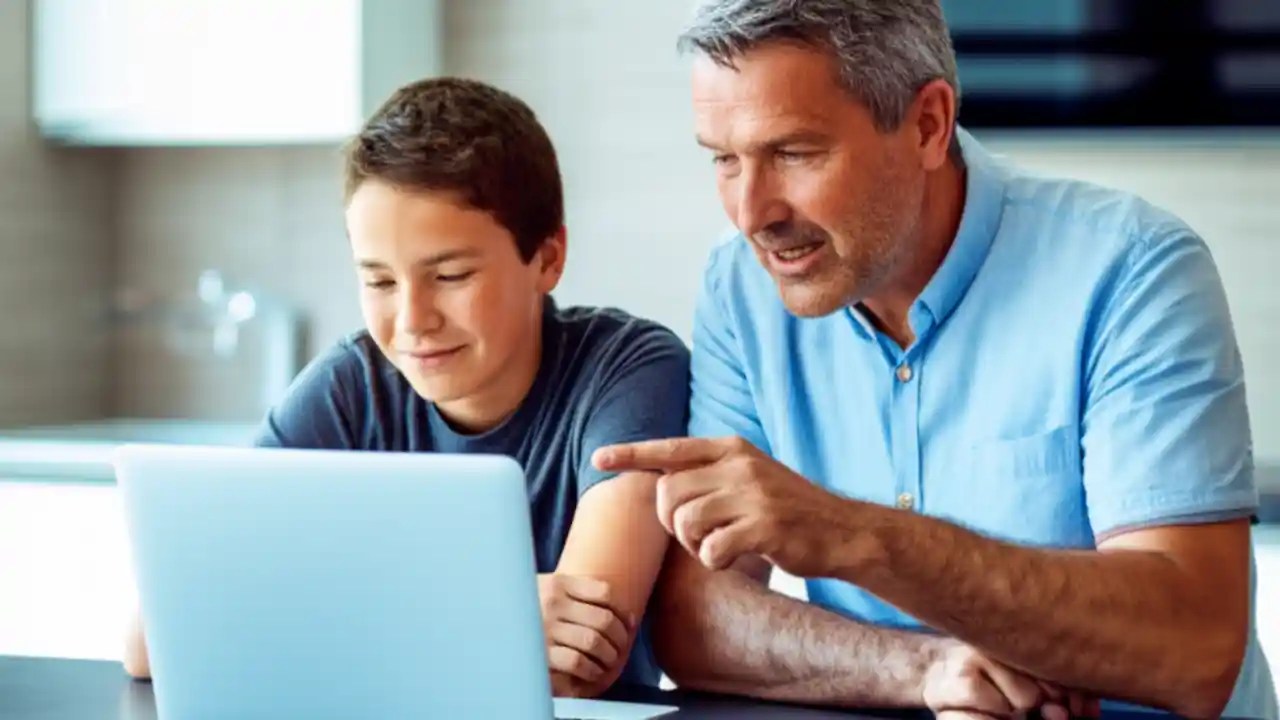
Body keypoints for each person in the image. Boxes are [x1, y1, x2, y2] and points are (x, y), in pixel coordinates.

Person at [592, 2, 1277, 719]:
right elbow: (699, 618)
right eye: (724, 159)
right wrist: (925, 668)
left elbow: (1195, 648)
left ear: (928, 124)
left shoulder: (1133, 271)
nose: (750, 213)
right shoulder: (741, 285)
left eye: (794, 153)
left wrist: (847, 533)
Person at [123, 77, 689, 699]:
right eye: (380, 283)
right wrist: (486, 611)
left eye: (449, 275)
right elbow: (154, 641)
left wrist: (314, 615)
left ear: (548, 257)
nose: (413, 320)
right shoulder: (350, 385)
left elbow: (580, 665)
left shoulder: (630, 369)